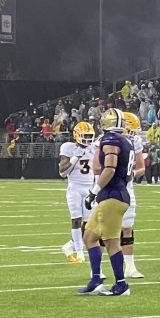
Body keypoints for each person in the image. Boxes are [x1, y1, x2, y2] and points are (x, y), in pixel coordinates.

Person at [76, 109, 135, 297]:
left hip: (112, 195)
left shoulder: (111, 140)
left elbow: (109, 168)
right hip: (115, 194)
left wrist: (93, 192)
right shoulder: (124, 140)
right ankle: (96, 279)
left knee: (110, 242)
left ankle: (121, 284)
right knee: (89, 237)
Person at [59, 121, 97, 264]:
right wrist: (76, 157)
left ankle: (70, 245)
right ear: (76, 135)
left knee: (88, 224)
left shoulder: (94, 148)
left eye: (89, 136)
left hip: (89, 188)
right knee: (76, 219)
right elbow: (62, 172)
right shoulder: (68, 148)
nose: (87, 139)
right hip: (74, 187)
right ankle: (80, 252)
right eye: (84, 135)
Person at [119, 112, 148, 279]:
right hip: (109, 188)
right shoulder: (106, 140)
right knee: (104, 229)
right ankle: (97, 268)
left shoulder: (135, 141)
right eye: (130, 130)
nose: (132, 134)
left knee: (127, 228)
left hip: (127, 187)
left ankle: (130, 267)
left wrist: (130, 175)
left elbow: (141, 167)